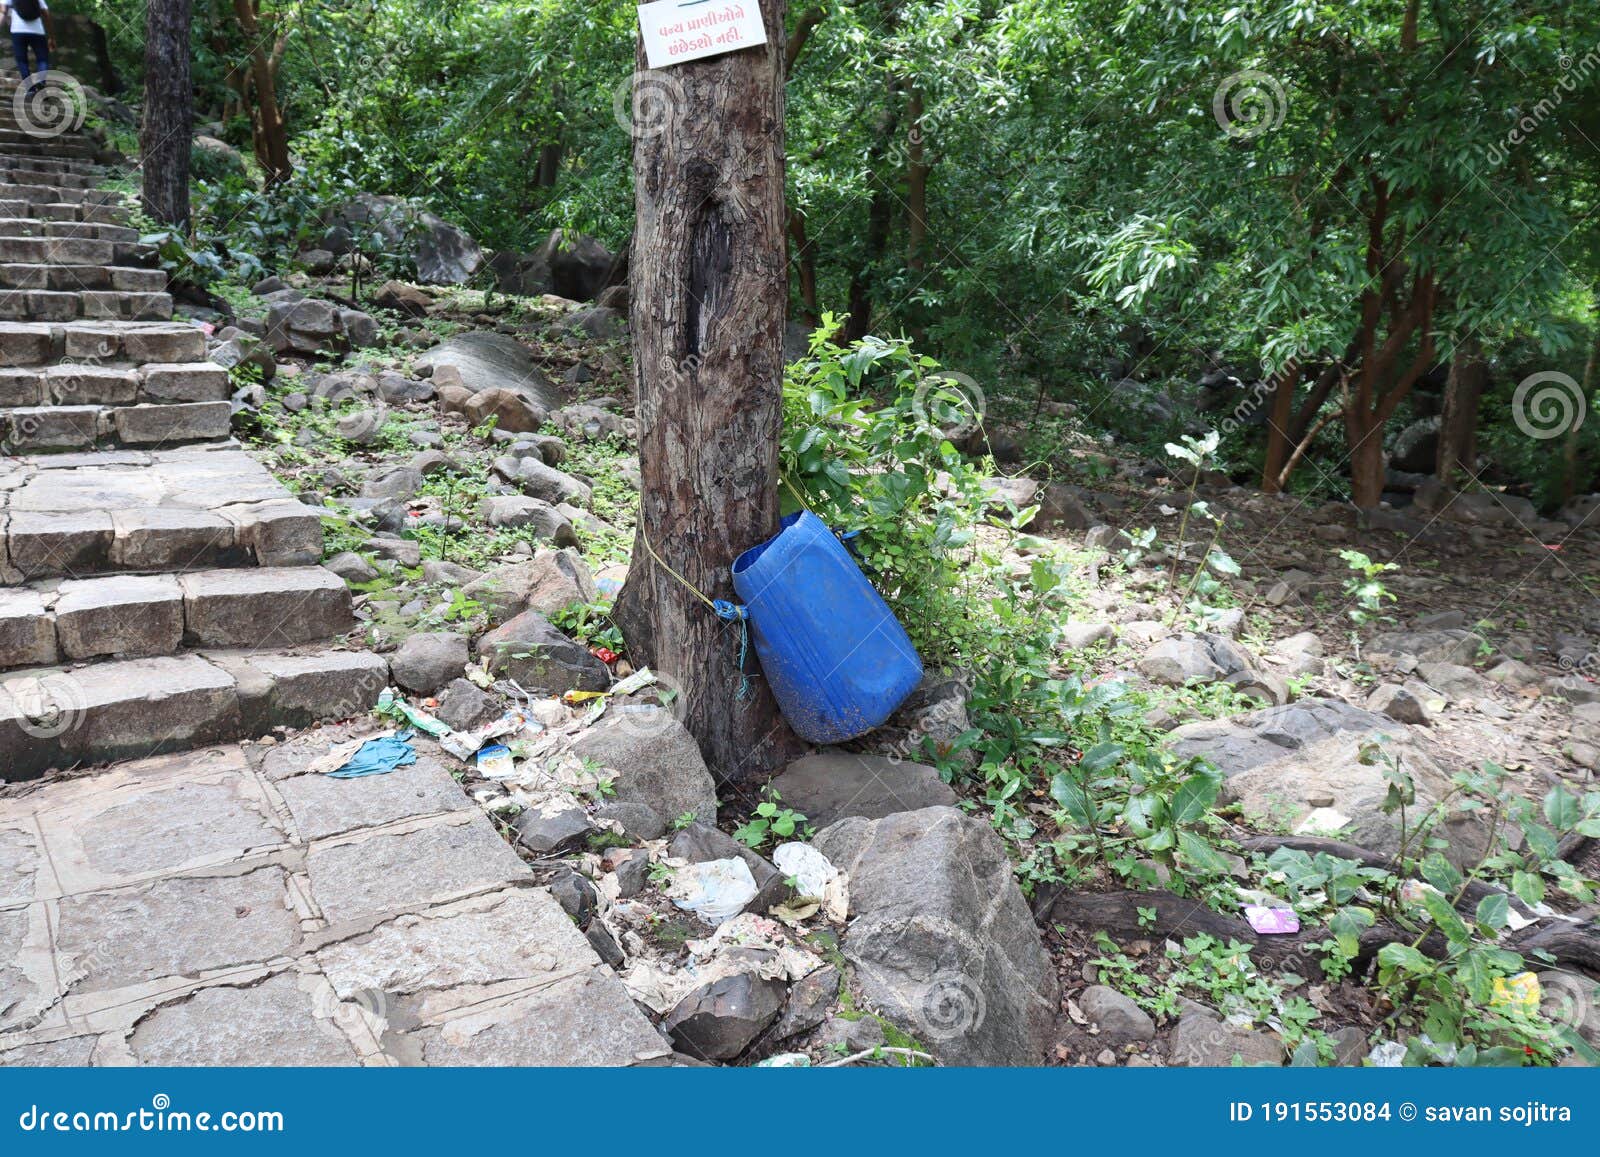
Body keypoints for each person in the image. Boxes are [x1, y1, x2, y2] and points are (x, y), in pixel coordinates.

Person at [1, 0, 52, 82]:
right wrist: (51, 37)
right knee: (43, 59)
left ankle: (30, 89)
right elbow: (46, 14)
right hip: (37, 31)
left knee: (22, 61)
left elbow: (3, 12)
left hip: (18, 30)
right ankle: (41, 83)